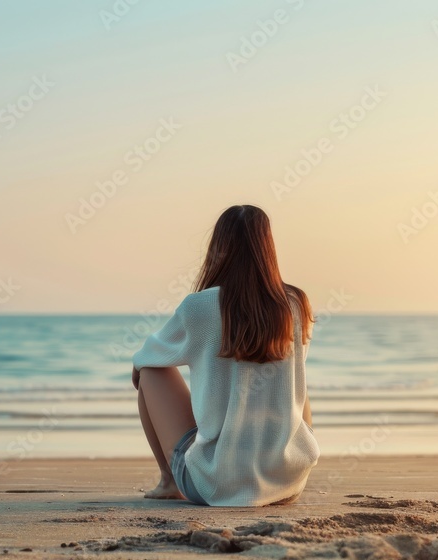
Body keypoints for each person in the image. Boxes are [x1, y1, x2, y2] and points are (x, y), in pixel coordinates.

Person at [132, 204, 319, 506]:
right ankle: (277, 463)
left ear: (218, 248)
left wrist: (144, 368)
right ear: (267, 248)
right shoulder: (296, 303)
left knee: (151, 372)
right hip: (288, 481)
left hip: (214, 487)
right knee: (293, 374)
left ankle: (169, 481)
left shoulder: (200, 306)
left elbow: (145, 358)